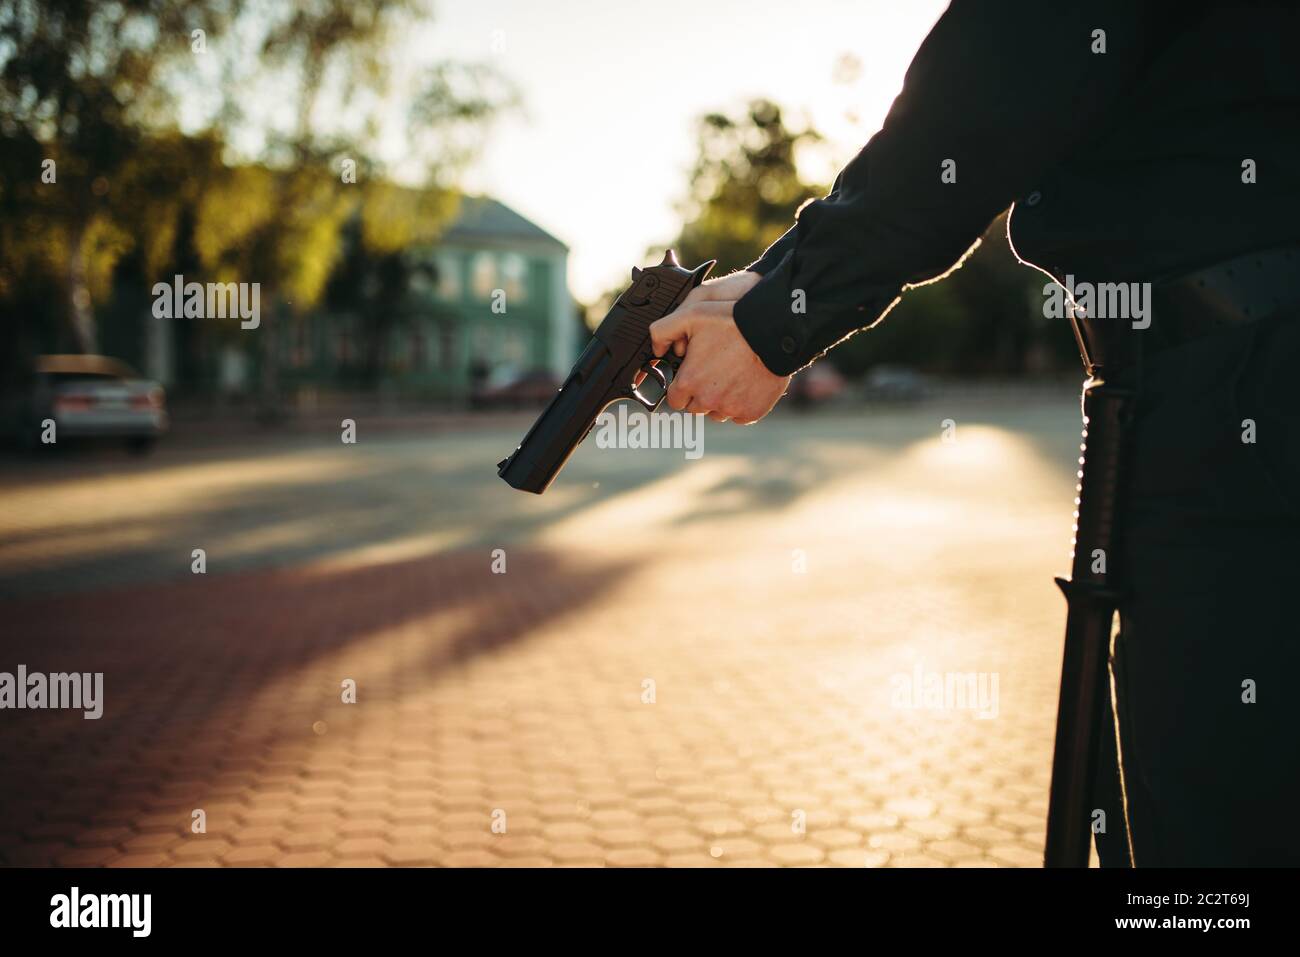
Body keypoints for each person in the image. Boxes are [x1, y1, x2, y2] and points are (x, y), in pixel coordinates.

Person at [649, 0, 1300, 866]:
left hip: (1236, 389)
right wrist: (772, 284)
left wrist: (783, 314)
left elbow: (998, 80)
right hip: (1231, 372)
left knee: (1216, 831)